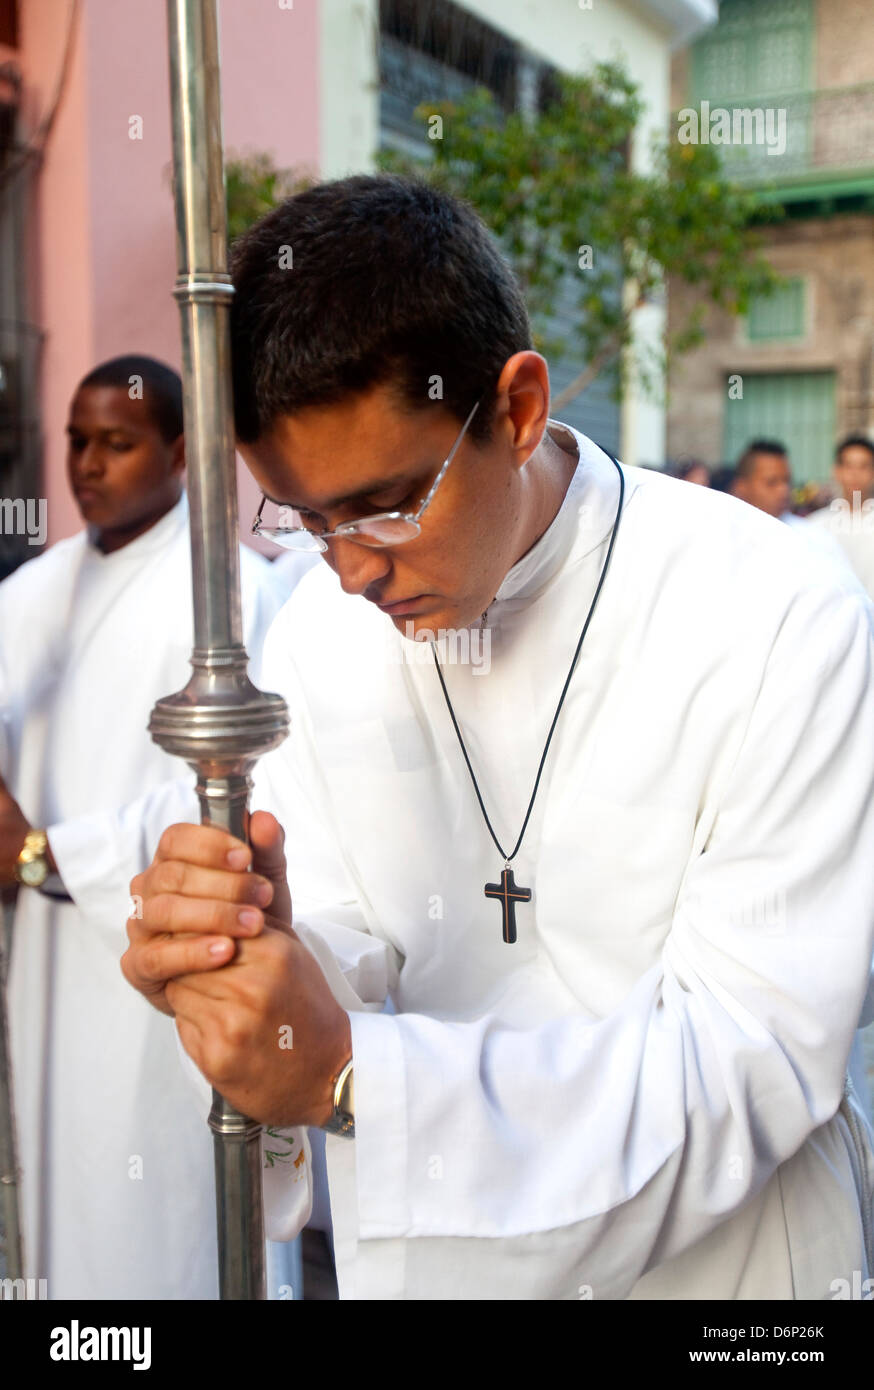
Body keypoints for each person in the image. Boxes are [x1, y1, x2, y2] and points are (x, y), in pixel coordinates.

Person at [118, 175, 874, 1301]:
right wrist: (266, 962)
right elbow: (352, 936)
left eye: (381, 503)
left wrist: (352, 1073)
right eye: (304, 517)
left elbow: (750, 1060)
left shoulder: (778, 616)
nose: (349, 566)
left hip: (728, 1276)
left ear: (516, 410)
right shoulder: (322, 630)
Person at [0, 355, 291, 1300]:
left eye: (116, 444)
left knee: (171, 1224)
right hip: (48, 960)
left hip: (174, 958)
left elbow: (255, 800)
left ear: (178, 454)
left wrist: (46, 855)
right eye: (76, 442)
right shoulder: (29, 593)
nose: (87, 463)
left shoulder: (236, 597)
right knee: (65, 1208)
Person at [732, 438, 855, 577]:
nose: (783, 490)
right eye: (771, 482)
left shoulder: (815, 540)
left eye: (787, 481)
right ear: (741, 487)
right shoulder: (722, 538)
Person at [807, 435, 874, 599]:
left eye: (863, 466)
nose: (855, 474)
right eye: (849, 466)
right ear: (837, 471)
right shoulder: (815, 526)